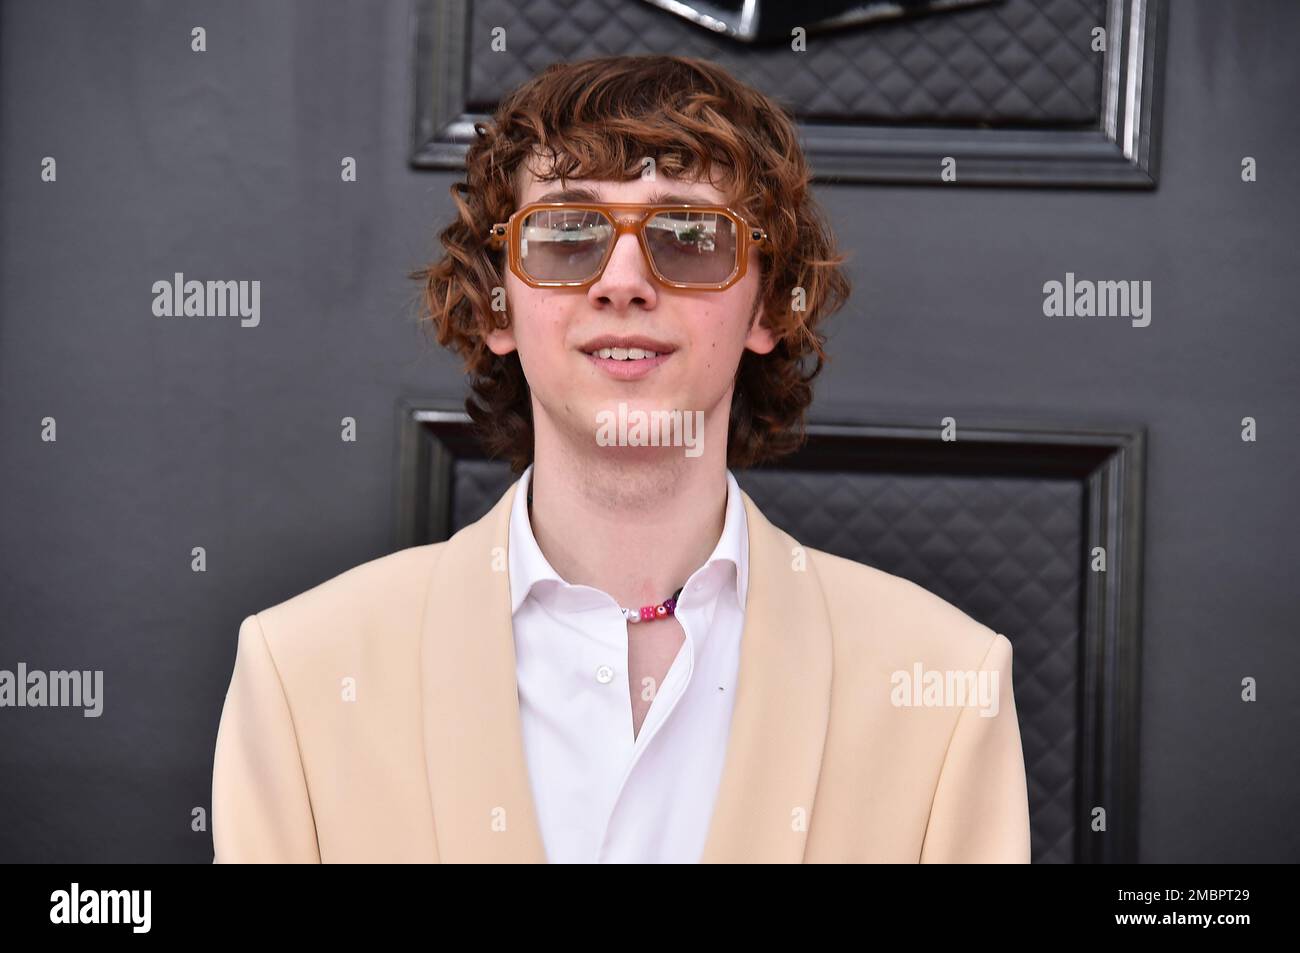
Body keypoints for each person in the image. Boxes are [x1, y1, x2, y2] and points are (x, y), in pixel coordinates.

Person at [211, 54, 1031, 863]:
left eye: (690, 235)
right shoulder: (299, 673)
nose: (625, 281)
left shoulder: (946, 683)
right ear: (497, 303)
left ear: (768, 305)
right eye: (568, 234)